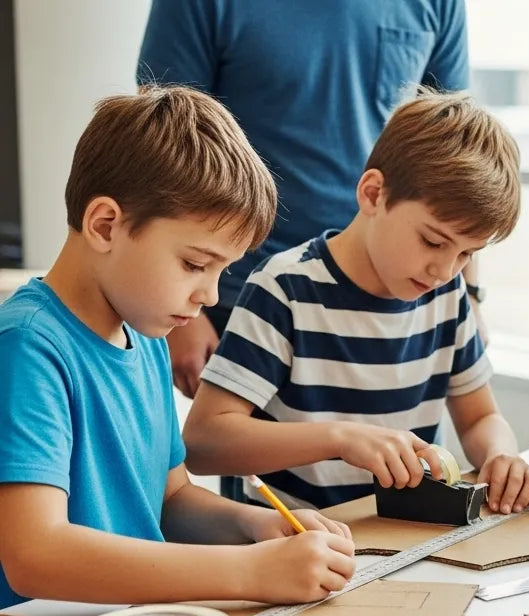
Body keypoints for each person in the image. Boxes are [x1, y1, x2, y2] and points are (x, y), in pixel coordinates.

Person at [0, 86, 355, 610]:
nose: (209, 295)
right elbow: (35, 553)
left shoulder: (145, 338)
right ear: (105, 225)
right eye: (194, 264)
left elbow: (169, 501)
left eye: (221, 271)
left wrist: (257, 527)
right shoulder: (28, 347)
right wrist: (250, 572)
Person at [183, 91, 529, 517]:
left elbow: (479, 418)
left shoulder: (448, 296)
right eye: (433, 241)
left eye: (467, 253)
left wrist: (501, 456)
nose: (445, 269)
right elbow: (203, 443)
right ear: (373, 194)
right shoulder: (284, 290)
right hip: (300, 546)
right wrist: (340, 438)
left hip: (406, 539)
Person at [137, 0, 476, 398]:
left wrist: (471, 297)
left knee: (390, 457)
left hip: (391, 302)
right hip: (239, 295)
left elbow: (456, 164)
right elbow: (164, 143)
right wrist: (183, 314)